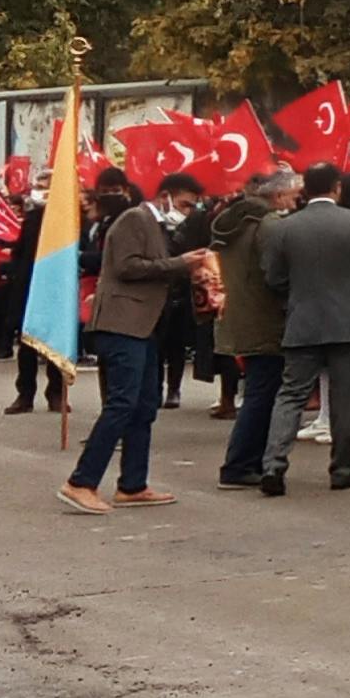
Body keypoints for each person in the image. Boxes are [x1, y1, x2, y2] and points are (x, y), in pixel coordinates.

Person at [59, 167, 193, 514]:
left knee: (144, 405)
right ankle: (81, 481)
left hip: (145, 326)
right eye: (185, 204)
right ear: (165, 197)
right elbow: (127, 267)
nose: (187, 212)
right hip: (122, 324)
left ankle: (133, 483)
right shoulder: (135, 219)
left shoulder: (158, 226)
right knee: (121, 403)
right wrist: (180, 264)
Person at [258, 163, 350, 495]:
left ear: (305, 189)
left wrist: (296, 296)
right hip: (349, 322)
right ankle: (342, 468)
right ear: (337, 187)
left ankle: (273, 465)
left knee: (291, 395)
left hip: (302, 321)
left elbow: (273, 277)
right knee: (346, 398)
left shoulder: (285, 228)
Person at [209, 168, 295, 485]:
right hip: (266, 318)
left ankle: (247, 461)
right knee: (263, 394)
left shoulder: (231, 221)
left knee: (259, 390)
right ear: (278, 196)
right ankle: (240, 464)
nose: (296, 200)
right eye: (292, 194)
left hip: (240, 314)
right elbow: (276, 276)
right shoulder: (269, 226)